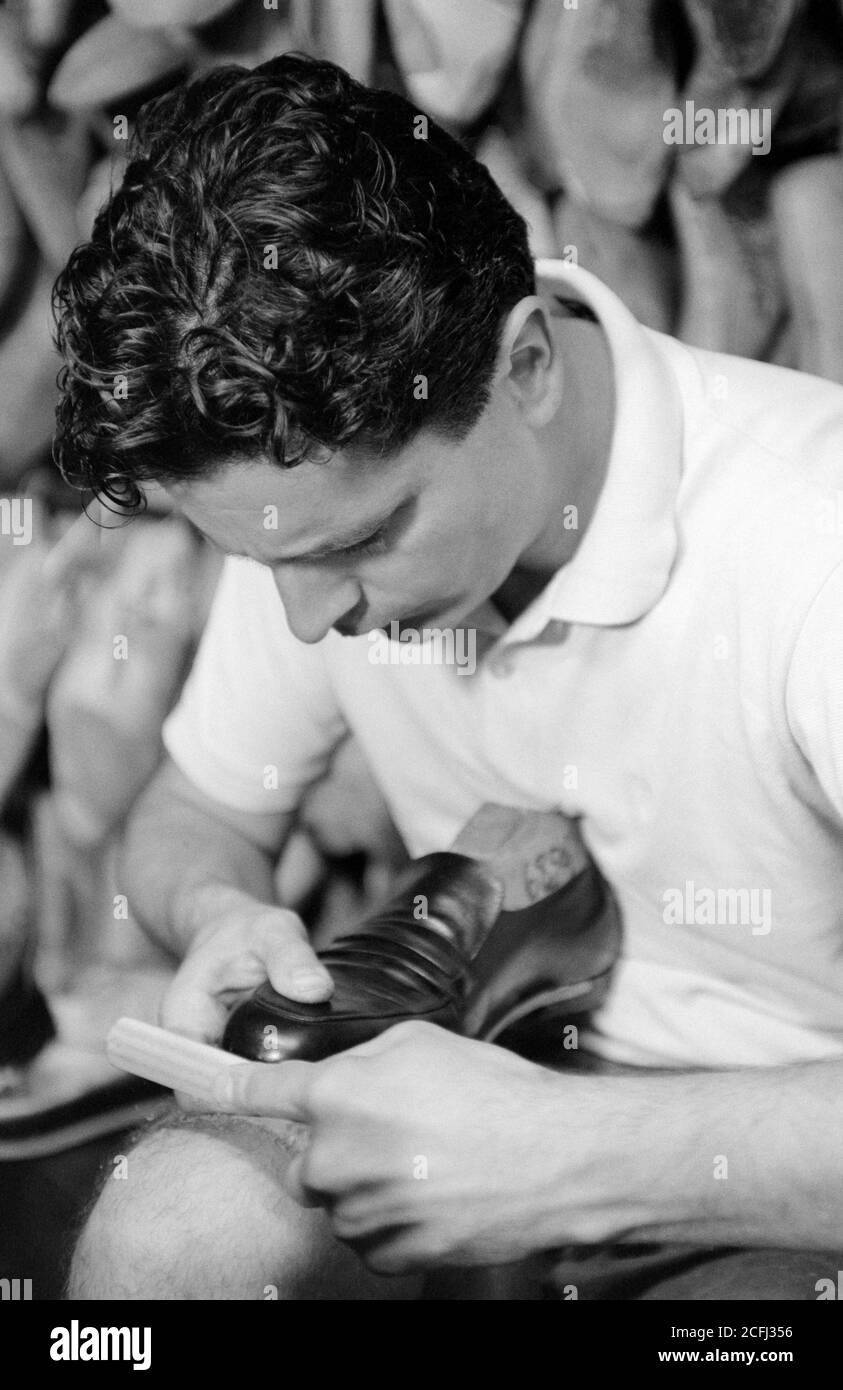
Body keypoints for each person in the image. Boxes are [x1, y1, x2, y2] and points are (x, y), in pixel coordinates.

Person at [53, 53, 843, 1300]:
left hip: (774, 1178)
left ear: (524, 364)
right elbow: (195, 812)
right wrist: (216, 910)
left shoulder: (817, 542)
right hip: (464, 1074)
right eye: (268, 564)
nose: (310, 621)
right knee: (165, 1252)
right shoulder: (307, 545)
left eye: (362, 541)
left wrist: (572, 1156)